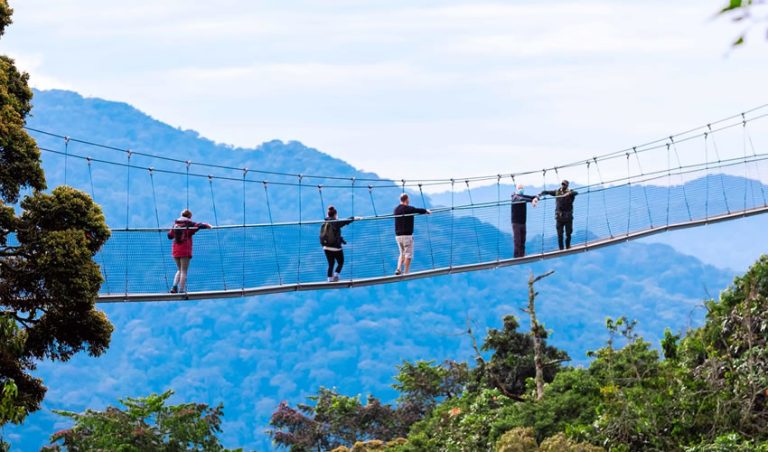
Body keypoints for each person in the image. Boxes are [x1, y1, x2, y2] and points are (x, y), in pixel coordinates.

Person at [167, 209, 211, 293]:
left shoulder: (175, 225)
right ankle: (181, 290)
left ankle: (174, 287)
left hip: (176, 250)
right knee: (184, 270)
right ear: (189, 217)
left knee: (179, 270)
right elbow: (199, 225)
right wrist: (207, 225)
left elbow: (169, 236)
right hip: (185, 251)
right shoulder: (189, 225)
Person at [394, 193, 431, 275]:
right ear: (406, 199)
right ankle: (406, 272)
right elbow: (418, 210)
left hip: (398, 236)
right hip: (407, 235)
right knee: (408, 255)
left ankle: (398, 269)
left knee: (402, 253)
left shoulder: (396, 209)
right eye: (408, 199)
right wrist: (426, 211)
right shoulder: (409, 209)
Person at [320, 205, 358, 282]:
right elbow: (345, 222)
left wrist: (342, 240)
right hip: (335, 248)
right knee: (341, 262)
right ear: (335, 215)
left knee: (331, 264)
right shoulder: (335, 222)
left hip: (326, 247)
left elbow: (334, 235)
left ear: (328, 215)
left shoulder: (324, 223)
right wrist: (354, 218)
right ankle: (336, 275)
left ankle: (329, 279)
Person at [540, 180, 578, 250]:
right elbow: (547, 192)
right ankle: (561, 248)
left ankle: (568, 246)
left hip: (568, 218)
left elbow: (576, 193)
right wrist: (540, 194)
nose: (563, 186)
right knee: (560, 234)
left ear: (567, 186)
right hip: (559, 218)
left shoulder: (571, 192)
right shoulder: (557, 192)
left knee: (568, 233)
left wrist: (569, 193)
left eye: (565, 185)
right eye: (562, 184)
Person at [511, 184, 539, 257]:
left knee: (523, 240)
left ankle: (522, 255)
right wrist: (531, 201)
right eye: (520, 188)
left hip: (523, 222)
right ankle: (516, 257)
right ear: (516, 189)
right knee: (517, 241)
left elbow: (532, 197)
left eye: (522, 188)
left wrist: (536, 198)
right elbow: (521, 199)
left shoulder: (522, 196)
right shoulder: (515, 197)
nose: (521, 190)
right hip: (516, 223)